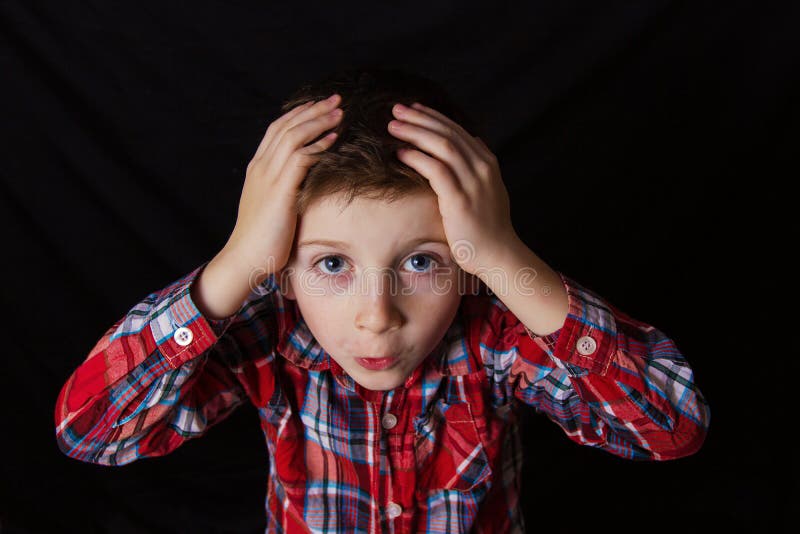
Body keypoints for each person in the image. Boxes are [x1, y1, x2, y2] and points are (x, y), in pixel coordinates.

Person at [54, 67, 711, 533]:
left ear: (467, 263)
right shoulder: (267, 340)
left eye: (423, 261)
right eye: (333, 263)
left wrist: (505, 259)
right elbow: (90, 431)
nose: (377, 315)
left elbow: (672, 429)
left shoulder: (495, 339)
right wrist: (238, 264)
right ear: (280, 266)